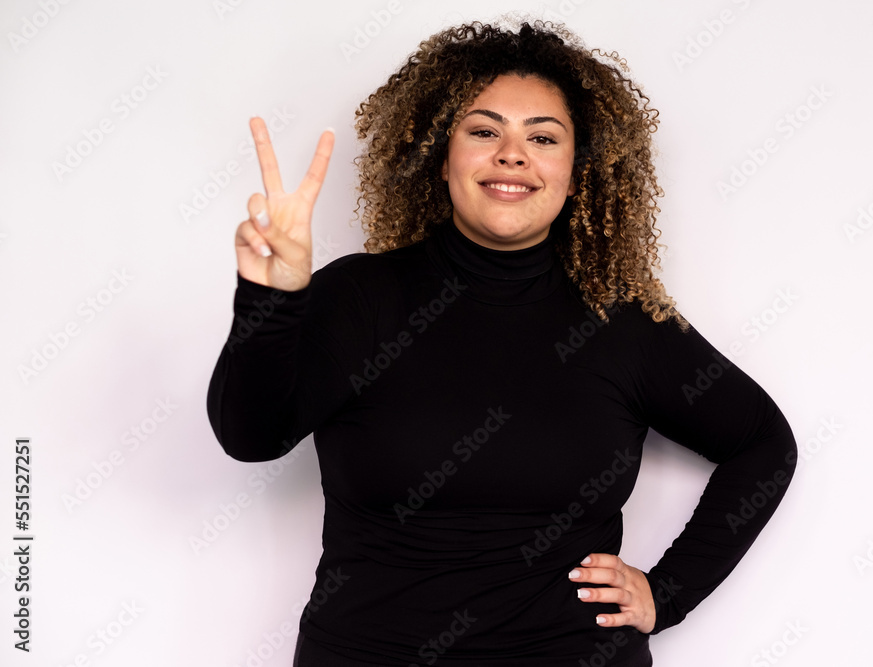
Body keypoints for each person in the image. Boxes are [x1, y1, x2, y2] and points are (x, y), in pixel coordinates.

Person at [206, 18, 797, 666]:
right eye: (484, 131)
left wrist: (667, 592)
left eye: (542, 137)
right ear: (442, 156)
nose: (512, 154)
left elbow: (762, 444)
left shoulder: (620, 320)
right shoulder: (358, 299)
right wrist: (273, 299)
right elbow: (251, 436)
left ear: (575, 174)